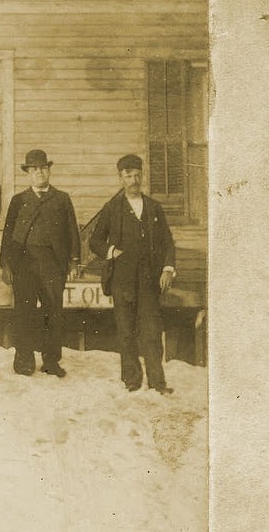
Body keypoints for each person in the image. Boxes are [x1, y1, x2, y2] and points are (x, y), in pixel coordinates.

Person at [89, 154, 176, 394]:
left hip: (149, 279)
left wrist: (167, 268)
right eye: (129, 176)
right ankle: (132, 379)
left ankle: (157, 382)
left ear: (142, 176)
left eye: (137, 175)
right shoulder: (112, 208)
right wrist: (110, 251)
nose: (134, 180)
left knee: (151, 330)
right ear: (121, 178)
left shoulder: (153, 207)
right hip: (121, 279)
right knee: (126, 330)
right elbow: (95, 240)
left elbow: (167, 242)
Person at [0, 149, 80, 377]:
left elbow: (72, 232)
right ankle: (24, 360)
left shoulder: (62, 199)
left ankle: (51, 361)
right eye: (34, 169)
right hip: (24, 263)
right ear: (28, 173)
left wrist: (74, 262)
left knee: (53, 312)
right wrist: (5, 264)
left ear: (49, 170)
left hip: (53, 264)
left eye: (43, 168)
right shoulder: (19, 201)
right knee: (24, 312)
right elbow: (8, 234)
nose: (39, 173)